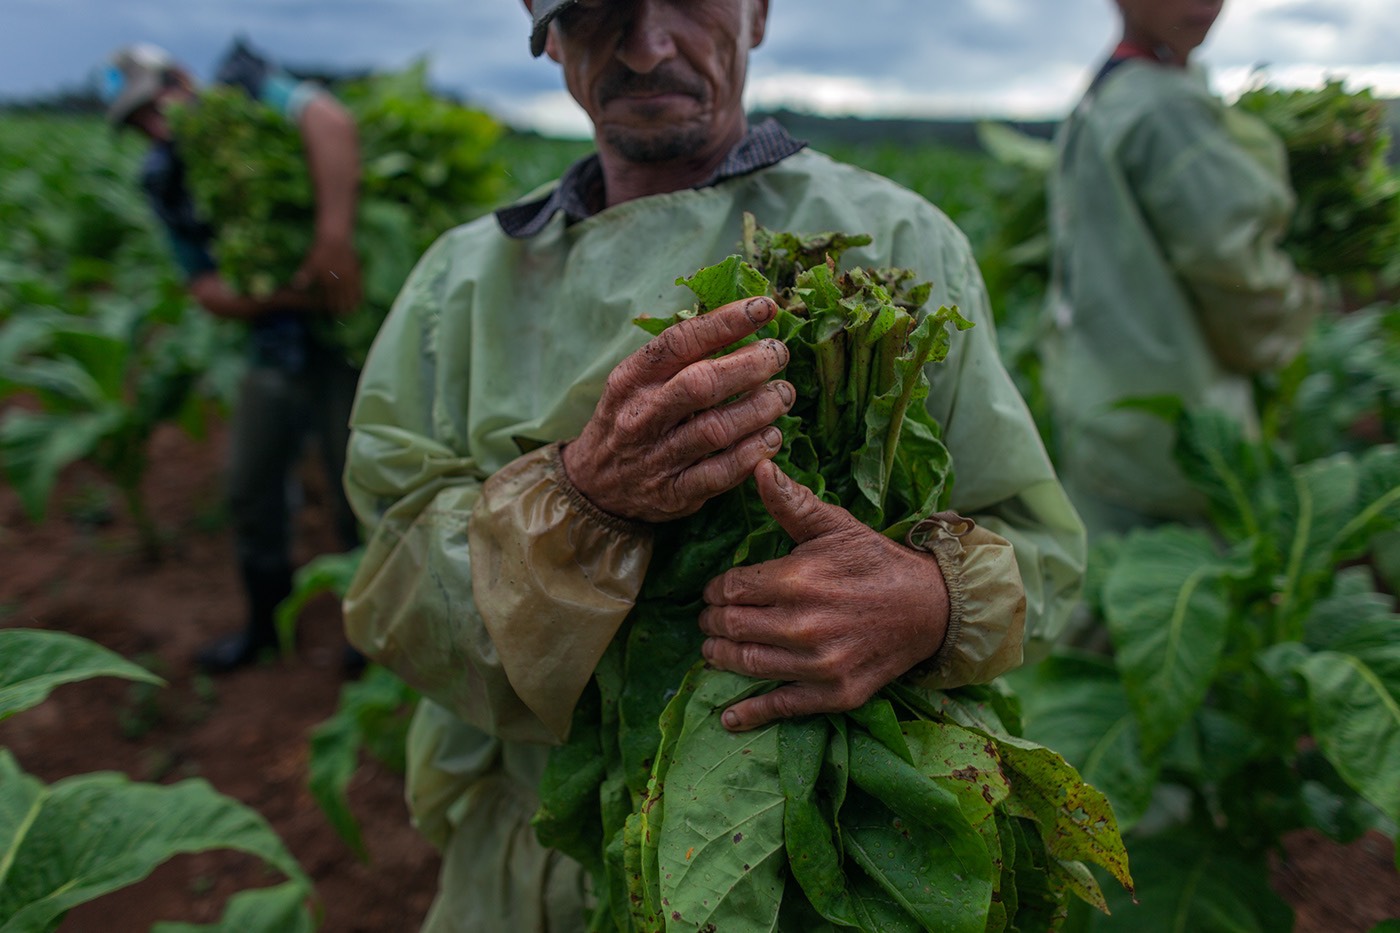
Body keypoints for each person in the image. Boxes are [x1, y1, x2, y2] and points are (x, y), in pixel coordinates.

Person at [341, 0, 1085, 929]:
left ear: (758, 13)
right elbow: (395, 583)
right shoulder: (462, 285)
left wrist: (926, 603)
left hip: (822, 847)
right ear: (551, 40)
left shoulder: (899, 241)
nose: (648, 47)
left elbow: (1037, 547)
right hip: (534, 850)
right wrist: (579, 496)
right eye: (599, 11)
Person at [100, 39, 366, 673]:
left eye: (155, 103)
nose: (154, 125)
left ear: (182, 80)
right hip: (274, 343)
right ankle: (265, 627)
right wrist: (294, 294)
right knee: (250, 485)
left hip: (351, 338)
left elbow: (329, 119)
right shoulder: (163, 178)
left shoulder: (252, 101)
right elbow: (205, 289)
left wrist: (333, 243)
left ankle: (370, 634)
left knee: (357, 482)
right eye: (137, 121)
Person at [1042, 0, 1330, 541]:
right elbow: (1235, 269)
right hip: (1174, 434)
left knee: (1110, 590)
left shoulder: (1109, 88)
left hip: (1100, 408)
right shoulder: (1166, 108)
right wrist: (1296, 304)